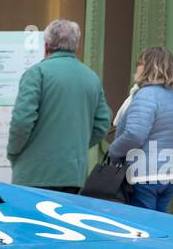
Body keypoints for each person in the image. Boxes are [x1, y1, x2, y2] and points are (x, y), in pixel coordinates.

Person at [6, 19, 112, 193]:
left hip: (33, 172)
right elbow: (102, 124)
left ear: (47, 45)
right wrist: (75, 148)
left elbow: (22, 121)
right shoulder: (91, 77)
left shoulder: (37, 73)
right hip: (72, 174)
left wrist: (14, 153)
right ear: (76, 45)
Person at [107, 46, 173, 212]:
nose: (137, 67)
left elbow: (135, 134)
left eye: (140, 63)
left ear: (150, 66)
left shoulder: (146, 95)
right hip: (169, 174)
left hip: (144, 174)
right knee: (157, 226)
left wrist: (113, 150)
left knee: (141, 230)